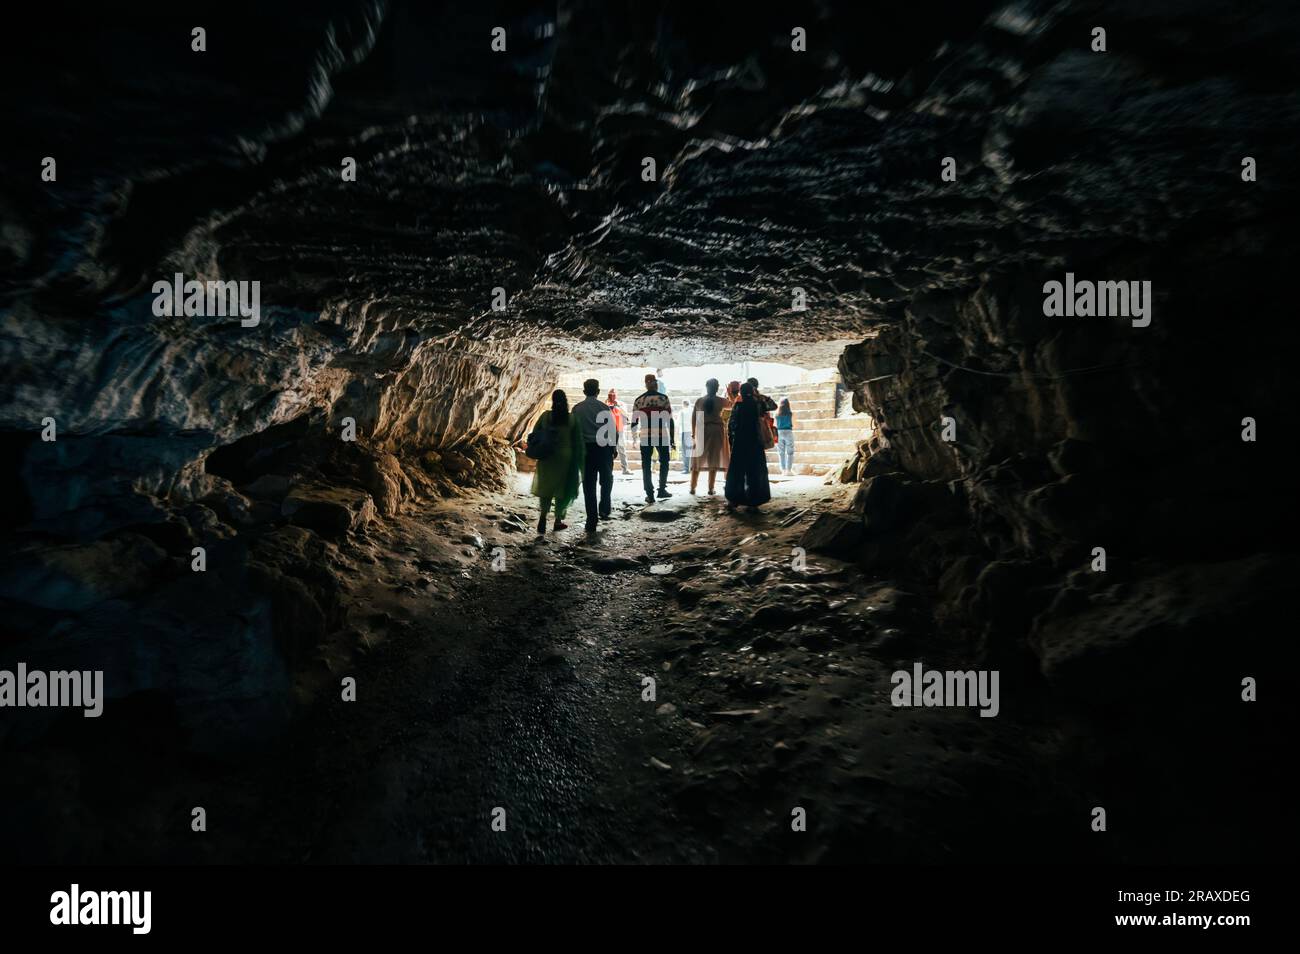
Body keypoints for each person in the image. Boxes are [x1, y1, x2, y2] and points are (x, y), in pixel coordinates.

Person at [530, 389, 584, 533]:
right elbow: (577, 441)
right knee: (562, 489)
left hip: (548, 455)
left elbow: (535, 433)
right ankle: (558, 520)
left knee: (546, 487)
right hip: (565, 457)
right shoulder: (572, 419)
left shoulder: (546, 416)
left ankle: (542, 518)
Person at [573, 379, 615, 532]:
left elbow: (574, 432)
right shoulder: (604, 407)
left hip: (586, 450)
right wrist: (613, 447)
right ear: (598, 391)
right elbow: (612, 430)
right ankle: (604, 508)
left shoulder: (577, 409)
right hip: (603, 449)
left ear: (584, 392)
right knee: (607, 480)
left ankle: (592, 518)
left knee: (589, 485)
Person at [724, 382, 771, 511]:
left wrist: (732, 440)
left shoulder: (738, 405)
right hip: (755, 442)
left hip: (740, 442)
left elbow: (732, 424)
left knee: (737, 472)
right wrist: (758, 396)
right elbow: (773, 405)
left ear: (741, 392)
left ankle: (733, 500)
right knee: (755, 471)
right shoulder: (759, 405)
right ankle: (754, 502)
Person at [630, 372, 674, 504]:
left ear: (645, 385)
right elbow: (670, 420)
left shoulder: (639, 400)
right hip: (661, 435)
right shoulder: (663, 398)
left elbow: (634, 422)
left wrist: (634, 438)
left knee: (646, 465)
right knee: (664, 461)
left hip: (645, 436)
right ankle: (661, 489)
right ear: (655, 383)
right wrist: (672, 438)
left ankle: (650, 494)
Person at [690, 378, 728, 495]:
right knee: (714, 458)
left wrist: (693, 433)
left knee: (698, 459)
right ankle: (710, 488)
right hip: (716, 430)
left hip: (702, 430)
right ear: (717, 388)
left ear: (707, 387)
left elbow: (694, 419)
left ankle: (693, 487)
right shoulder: (723, 401)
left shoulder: (700, 401)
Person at [607, 389, 632, 475]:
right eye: (610, 394)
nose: (612, 396)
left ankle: (625, 469)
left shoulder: (622, 404)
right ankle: (609, 469)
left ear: (616, 395)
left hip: (620, 429)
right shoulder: (604, 403)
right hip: (608, 430)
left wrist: (617, 406)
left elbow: (626, 414)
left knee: (622, 449)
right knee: (609, 450)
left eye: (614, 394)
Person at [776, 397, 795, 475]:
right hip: (788, 431)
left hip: (779, 432)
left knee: (781, 452)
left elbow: (775, 424)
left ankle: (783, 470)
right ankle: (789, 470)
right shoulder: (791, 413)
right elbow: (794, 424)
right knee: (790, 452)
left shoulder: (776, 414)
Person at [678, 399, 694, 474]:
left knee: (685, 452)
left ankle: (686, 468)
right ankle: (692, 468)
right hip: (692, 432)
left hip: (685, 432)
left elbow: (678, 423)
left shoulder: (682, 412)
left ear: (683, 404)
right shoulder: (693, 411)